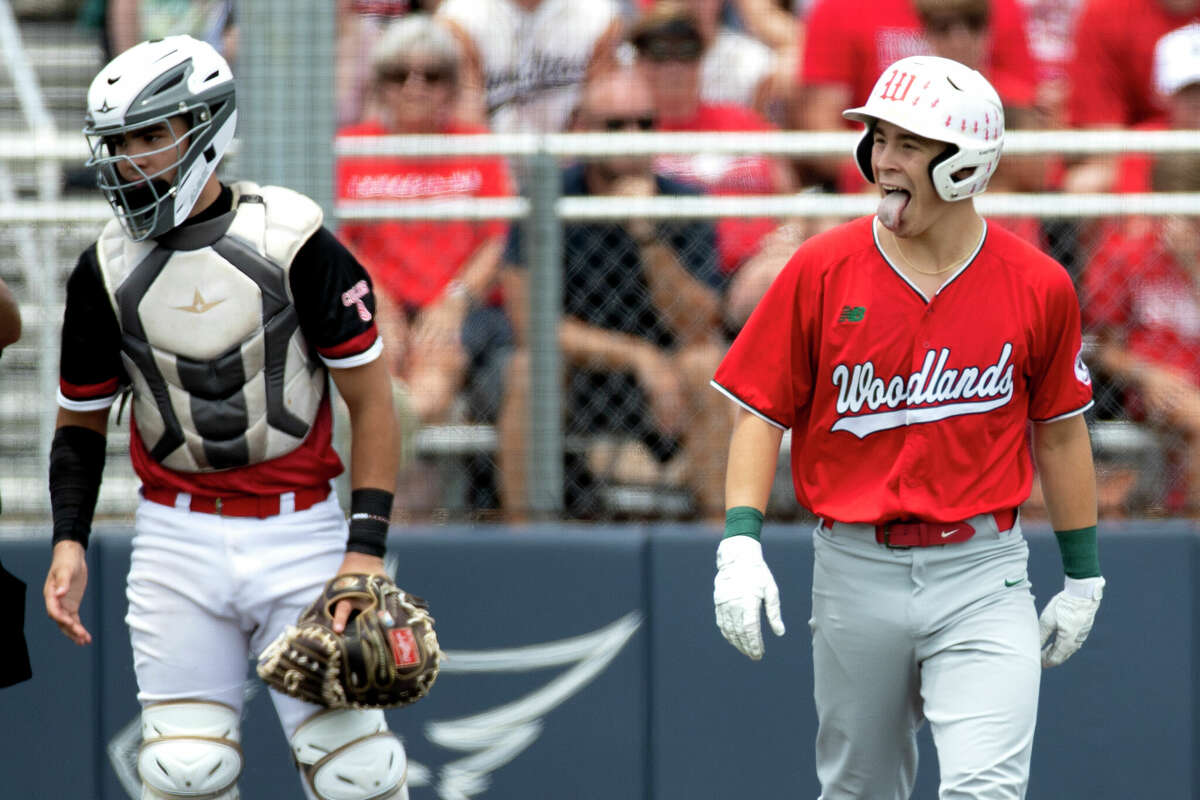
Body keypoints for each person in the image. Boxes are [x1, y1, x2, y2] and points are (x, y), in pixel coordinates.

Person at [711, 55, 1105, 797]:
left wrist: (1083, 576)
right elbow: (760, 413)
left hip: (984, 570)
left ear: (966, 164)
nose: (882, 162)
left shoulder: (1038, 283)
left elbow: (1059, 430)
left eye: (909, 145)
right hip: (854, 566)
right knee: (859, 790)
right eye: (879, 140)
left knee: (985, 791)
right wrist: (739, 542)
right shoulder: (820, 267)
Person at [42, 36, 410, 800]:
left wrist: (365, 550)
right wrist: (68, 540)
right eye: (118, 142)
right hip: (175, 539)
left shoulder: (294, 239)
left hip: (300, 531)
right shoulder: (102, 270)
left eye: (151, 135)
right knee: (184, 774)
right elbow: (78, 424)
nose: (130, 159)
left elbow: (373, 402)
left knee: (358, 778)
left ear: (206, 127)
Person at [497, 68, 729, 521]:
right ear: (582, 128)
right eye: (615, 125)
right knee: (529, 369)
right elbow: (532, 325)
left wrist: (646, 234)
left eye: (644, 124)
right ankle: (522, 542)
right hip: (583, 373)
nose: (632, 136)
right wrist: (638, 357)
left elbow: (700, 325)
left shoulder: (683, 200)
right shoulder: (547, 197)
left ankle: (720, 545)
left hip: (669, 381)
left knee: (707, 365)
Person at [336, 14, 514, 430]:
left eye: (431, 76)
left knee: (435, 367)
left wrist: (454, 300)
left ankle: (394, 469)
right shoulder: (351, 148)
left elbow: (498, 239)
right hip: (374, 299)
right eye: (400, 76)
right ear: (380, 85)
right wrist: (374, 298)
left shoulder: (476, 146)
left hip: (460, 303)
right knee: (373, 362)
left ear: (450, 87)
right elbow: (338, 240)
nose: (414, 88)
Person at [632, 3, 796, 282]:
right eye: (660, 52)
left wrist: (788, 235)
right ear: (639, 61)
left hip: (759, 263)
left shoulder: (743, 120)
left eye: (687, 52)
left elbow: (791, 198)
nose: (675, 66)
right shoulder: (630, 131)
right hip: (682, 270)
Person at [796, 0, 1036, 187]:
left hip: (990, 189)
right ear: (925, 29)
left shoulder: (996, 7)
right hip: (878, 178)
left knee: (1005, 197)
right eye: (942, 28)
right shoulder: (839, 9)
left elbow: (1036, 167)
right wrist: (895, 170)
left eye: (973, 24)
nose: (959, 38)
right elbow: (820, 131)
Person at [1064, 0, 1200, 193]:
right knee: (1089, 181)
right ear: (1165, 95)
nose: (1197, 103)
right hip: (1151, 195)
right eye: (1188, 93)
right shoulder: (1144, 143)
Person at [436, 0, 624, 133]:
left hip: (571, 165)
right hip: (492, 161)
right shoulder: (459, 15)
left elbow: (596, 114)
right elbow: (467, 116)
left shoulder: (598, 13)